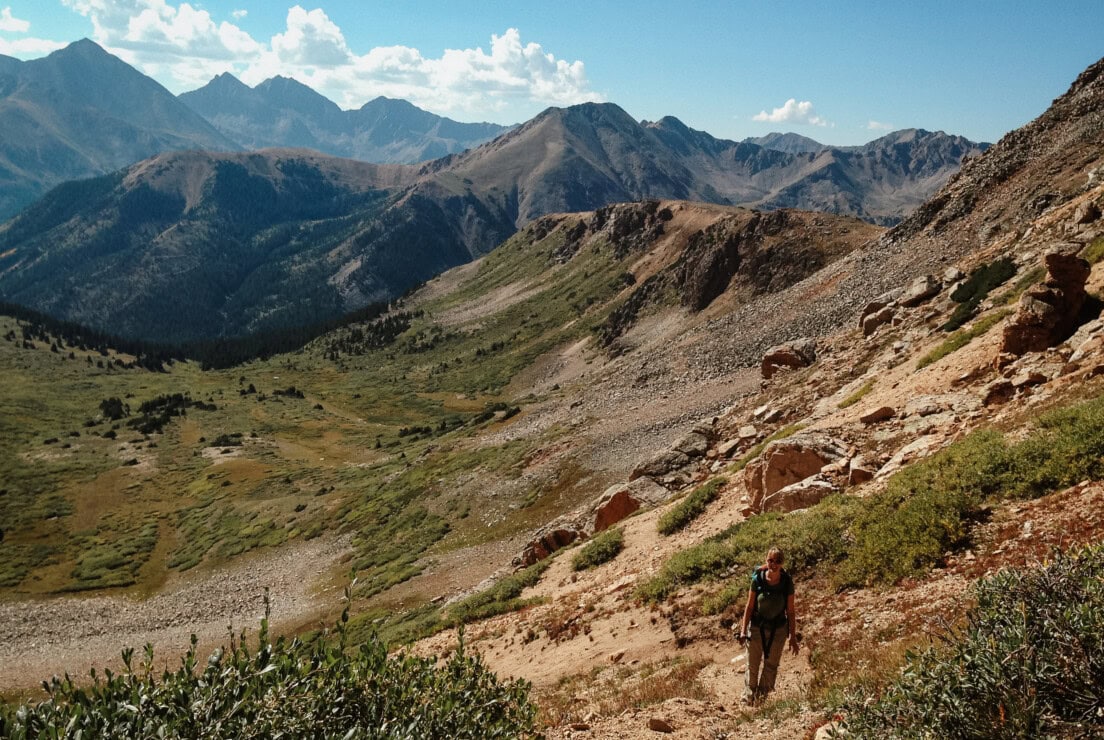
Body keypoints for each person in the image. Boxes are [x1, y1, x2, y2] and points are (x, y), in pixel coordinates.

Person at [736, 546, 798, 705]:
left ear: (782, 563)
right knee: (752, 664)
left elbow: (791, 611)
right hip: (757, 627)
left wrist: (792, 636)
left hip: (778, 630)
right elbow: (749, 607)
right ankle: (748, 698)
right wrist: (743, 631)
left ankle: (761, 700)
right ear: (766, 560)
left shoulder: (786, 582)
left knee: (771, 666)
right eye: (771, 560)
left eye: (778, 561)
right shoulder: (758, 579)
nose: (774, 564)